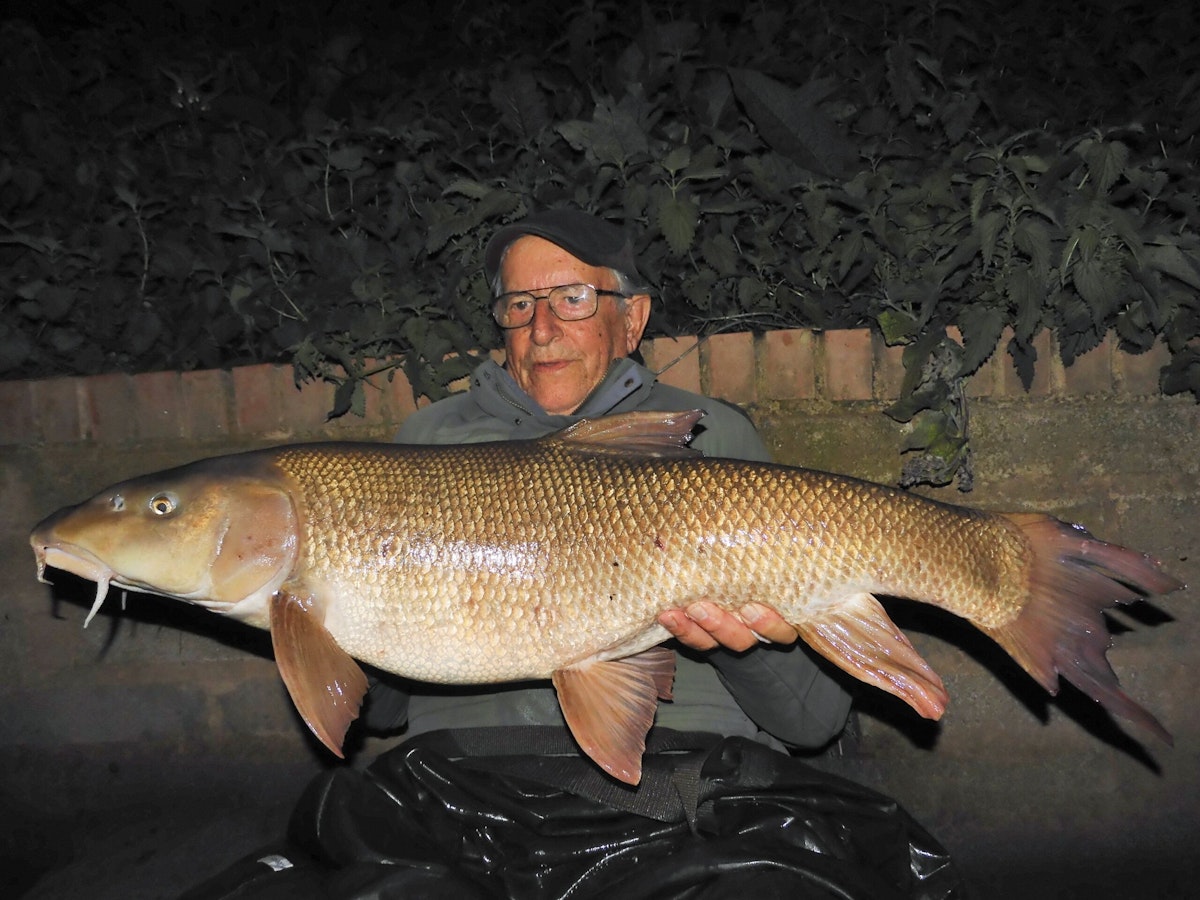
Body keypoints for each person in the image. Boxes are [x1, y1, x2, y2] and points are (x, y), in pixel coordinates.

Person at [183, 209, 963, 900]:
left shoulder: (708, 437)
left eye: (573, 299)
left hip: (689, 786)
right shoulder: (425, 446)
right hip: (463, 784)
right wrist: (315, 613)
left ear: (633, 319)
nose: (543, 327)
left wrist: (748, 646)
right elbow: (378, 713)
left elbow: (811, 723)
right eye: (519, 305)